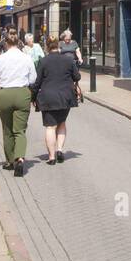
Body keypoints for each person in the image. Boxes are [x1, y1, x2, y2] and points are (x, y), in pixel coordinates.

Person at [0, 29, 37, 176]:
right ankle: (20, 158)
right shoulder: (26, 58)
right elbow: (33, 78)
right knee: (20, 130)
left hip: (5, 93)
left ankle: (9, 161)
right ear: (18, 42)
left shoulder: (1, 59)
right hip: (22, 93)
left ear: (6, 43)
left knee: (7, 129)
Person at [30, 35, 81, 166]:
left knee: (50, 127)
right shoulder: (68, 60)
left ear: (46, 46)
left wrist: (33, 97)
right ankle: (59, 150)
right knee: (62, 123)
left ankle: (51, 157)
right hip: (65, 97)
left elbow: (37, 81)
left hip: (48, 98)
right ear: (58, 46)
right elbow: (77, 76)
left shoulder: (43, 61)